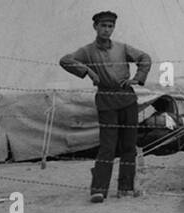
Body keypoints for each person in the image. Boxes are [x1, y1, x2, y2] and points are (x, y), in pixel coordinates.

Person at [59, 11, 151, 202]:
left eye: (110, 26)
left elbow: (145, 58)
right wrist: (88, 71)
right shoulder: (87, 51)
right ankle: (99, 189)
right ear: (95, 27)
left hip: (127, 98)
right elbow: (65, 60)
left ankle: (125, 187)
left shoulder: (122, 48)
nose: (107, 30)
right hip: (106, 99)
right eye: (103, 26)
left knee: (128, 145)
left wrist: (137, 78)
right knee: (108, 145)